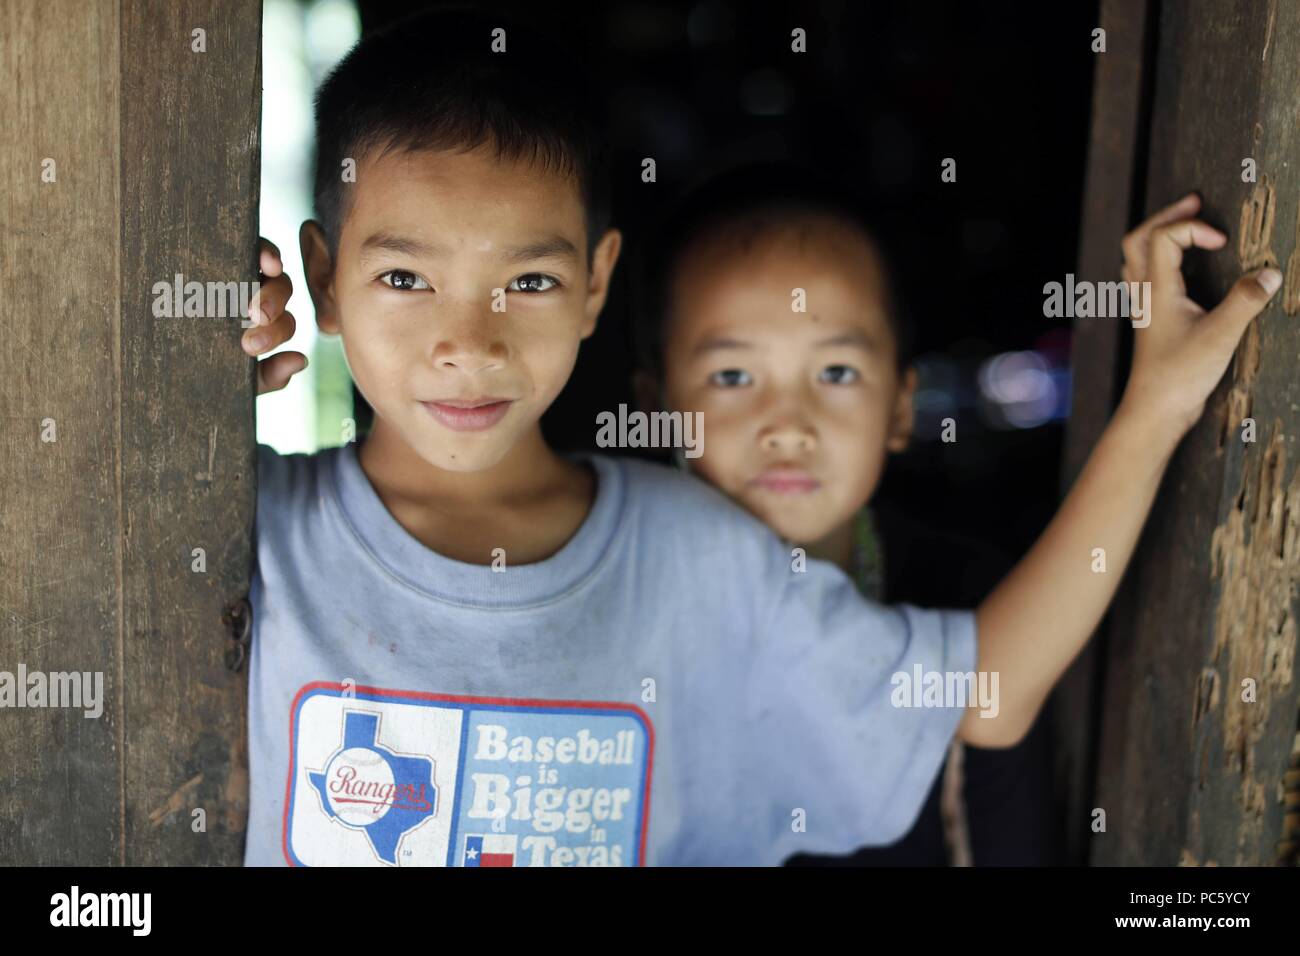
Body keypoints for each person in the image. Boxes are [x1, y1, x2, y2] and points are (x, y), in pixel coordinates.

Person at [240, 8, 1282, 866]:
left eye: (529, 281)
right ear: (325, 277)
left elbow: (988, 694)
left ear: (597, 283)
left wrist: (1156, 403)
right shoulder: (247, 523)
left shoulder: (695, 557)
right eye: (405, 278)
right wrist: (199, 372)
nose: (466, 344)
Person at [631, 164, 1060, 865]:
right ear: (655, 407)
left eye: (835, 373)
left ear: (898, 405)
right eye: (734, 377)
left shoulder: (970, 598)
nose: (789, 426)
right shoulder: (608, 596)